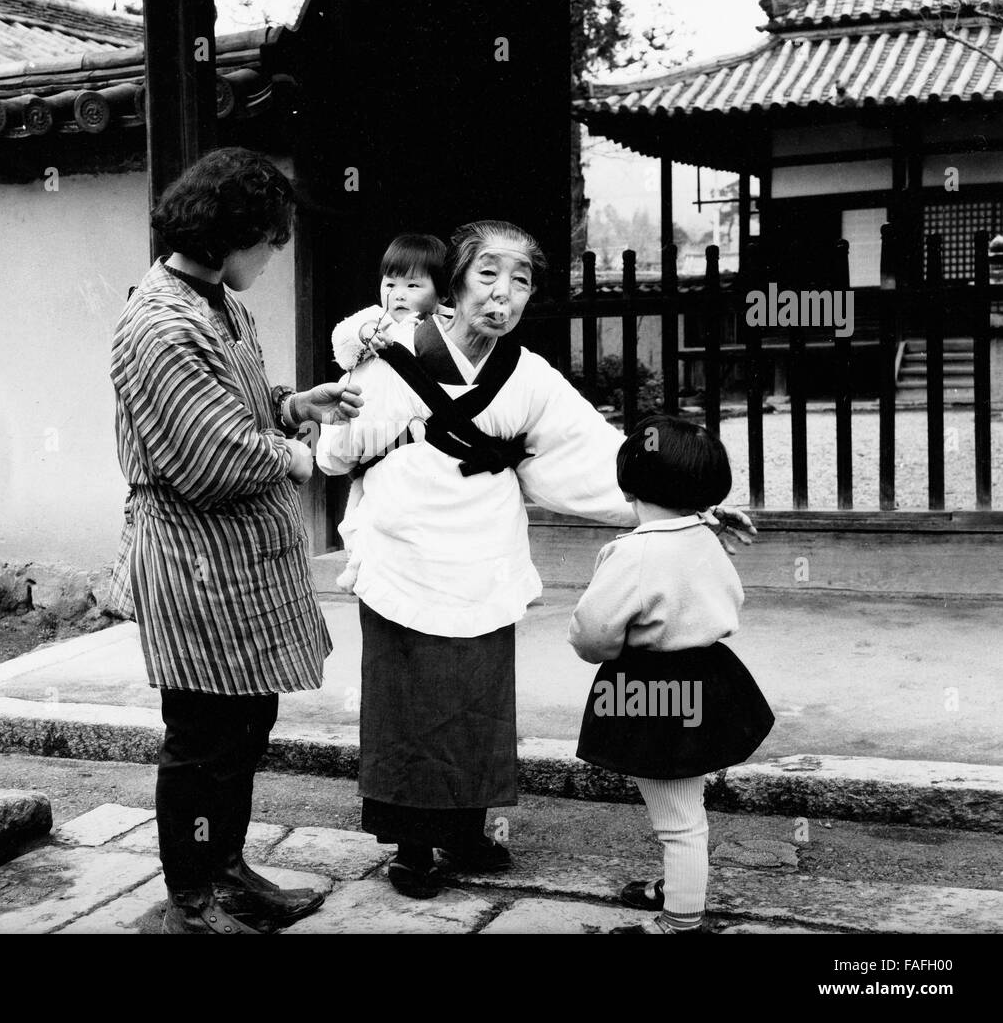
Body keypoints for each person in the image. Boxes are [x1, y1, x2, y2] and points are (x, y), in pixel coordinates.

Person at [316, 218, 756, 899]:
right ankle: (411, 848)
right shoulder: (388, 359)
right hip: (404, 553)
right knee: (409, 705)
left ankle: (465, 830)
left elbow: (595, 455)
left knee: (475, 704)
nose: (504, 294)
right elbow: (334, 450)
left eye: (520, 281)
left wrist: (689, 506)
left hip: (484, 554)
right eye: (488, 275)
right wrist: (380, 430)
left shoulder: (529, 376)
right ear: (451, 288)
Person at [108, 146, 364, 934]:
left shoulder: (214, 297)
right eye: (270, 238)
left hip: (238, 560)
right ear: (231, 233)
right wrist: (302, 455)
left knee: (247, 724)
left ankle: (227, 870)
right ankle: (190, 898)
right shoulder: (160, 320)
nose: (276, 251)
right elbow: (211, 457)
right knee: (203, 737)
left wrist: (292, 405)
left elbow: (239, 405)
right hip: (194, 558)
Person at [569, 414, 774, 934]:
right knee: (687, 800)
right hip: (710, 677)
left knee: (679, 819)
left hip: (651, 690)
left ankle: (681, 920)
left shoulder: (634, 552)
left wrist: (597, 649)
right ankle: (680, 884)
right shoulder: (706, 534)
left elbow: (593, 634)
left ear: (629, 482)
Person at [328, 233, 448, 592]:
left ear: (441, 294)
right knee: (363, 510)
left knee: (401, 515)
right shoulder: (373, 322)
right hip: (371, 440)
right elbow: (344, 339)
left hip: (414, 445)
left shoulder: (441, 329)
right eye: (390, 282)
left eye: (413, 284)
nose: (398, 293)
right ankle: (358, 561)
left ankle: (367, 564)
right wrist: (367, 332)